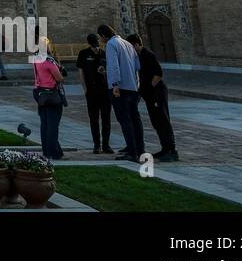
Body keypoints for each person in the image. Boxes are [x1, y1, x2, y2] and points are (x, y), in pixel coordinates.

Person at [128, 33, 179, 162]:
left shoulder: (148, 55)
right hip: (149, 95)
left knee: (163, 120)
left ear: (136, 44)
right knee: (156, 121)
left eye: (131, 46)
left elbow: (158, 74)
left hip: (157, 93)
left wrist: (150, 88)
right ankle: (165, 148)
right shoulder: (138, 56)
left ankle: (172, 150)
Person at [99, 23, 145, 162]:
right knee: (135, 120)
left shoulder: (111, 44)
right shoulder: (127, 44)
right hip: (132, 87)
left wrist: (114, 84)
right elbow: (137, 66)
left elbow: (114, 66)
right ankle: (140, 149)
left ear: (103, 35)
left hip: (120, 88)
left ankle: (132, 152)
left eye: (100, 37)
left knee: (125, 121)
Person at [75, 33, 114, 155]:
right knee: (94, 119)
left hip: (104, 90)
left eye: (97, 45)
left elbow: (111, 70)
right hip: (91, 90)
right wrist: (85, 88)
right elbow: (81, 71)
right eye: (94, 46)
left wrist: (105, 72)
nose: (96, 48)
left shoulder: (104, 53)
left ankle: (106, 144)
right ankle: (97, 145)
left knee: (106, 118)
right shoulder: (84, 54)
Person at [31, 36, 66, 159]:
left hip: (40, 92)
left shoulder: (36, 59)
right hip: (51, 93)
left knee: (45, 123)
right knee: (53, 125)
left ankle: (47, 150)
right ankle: (53, 152)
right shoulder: (48, 61)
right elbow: (59, 78)